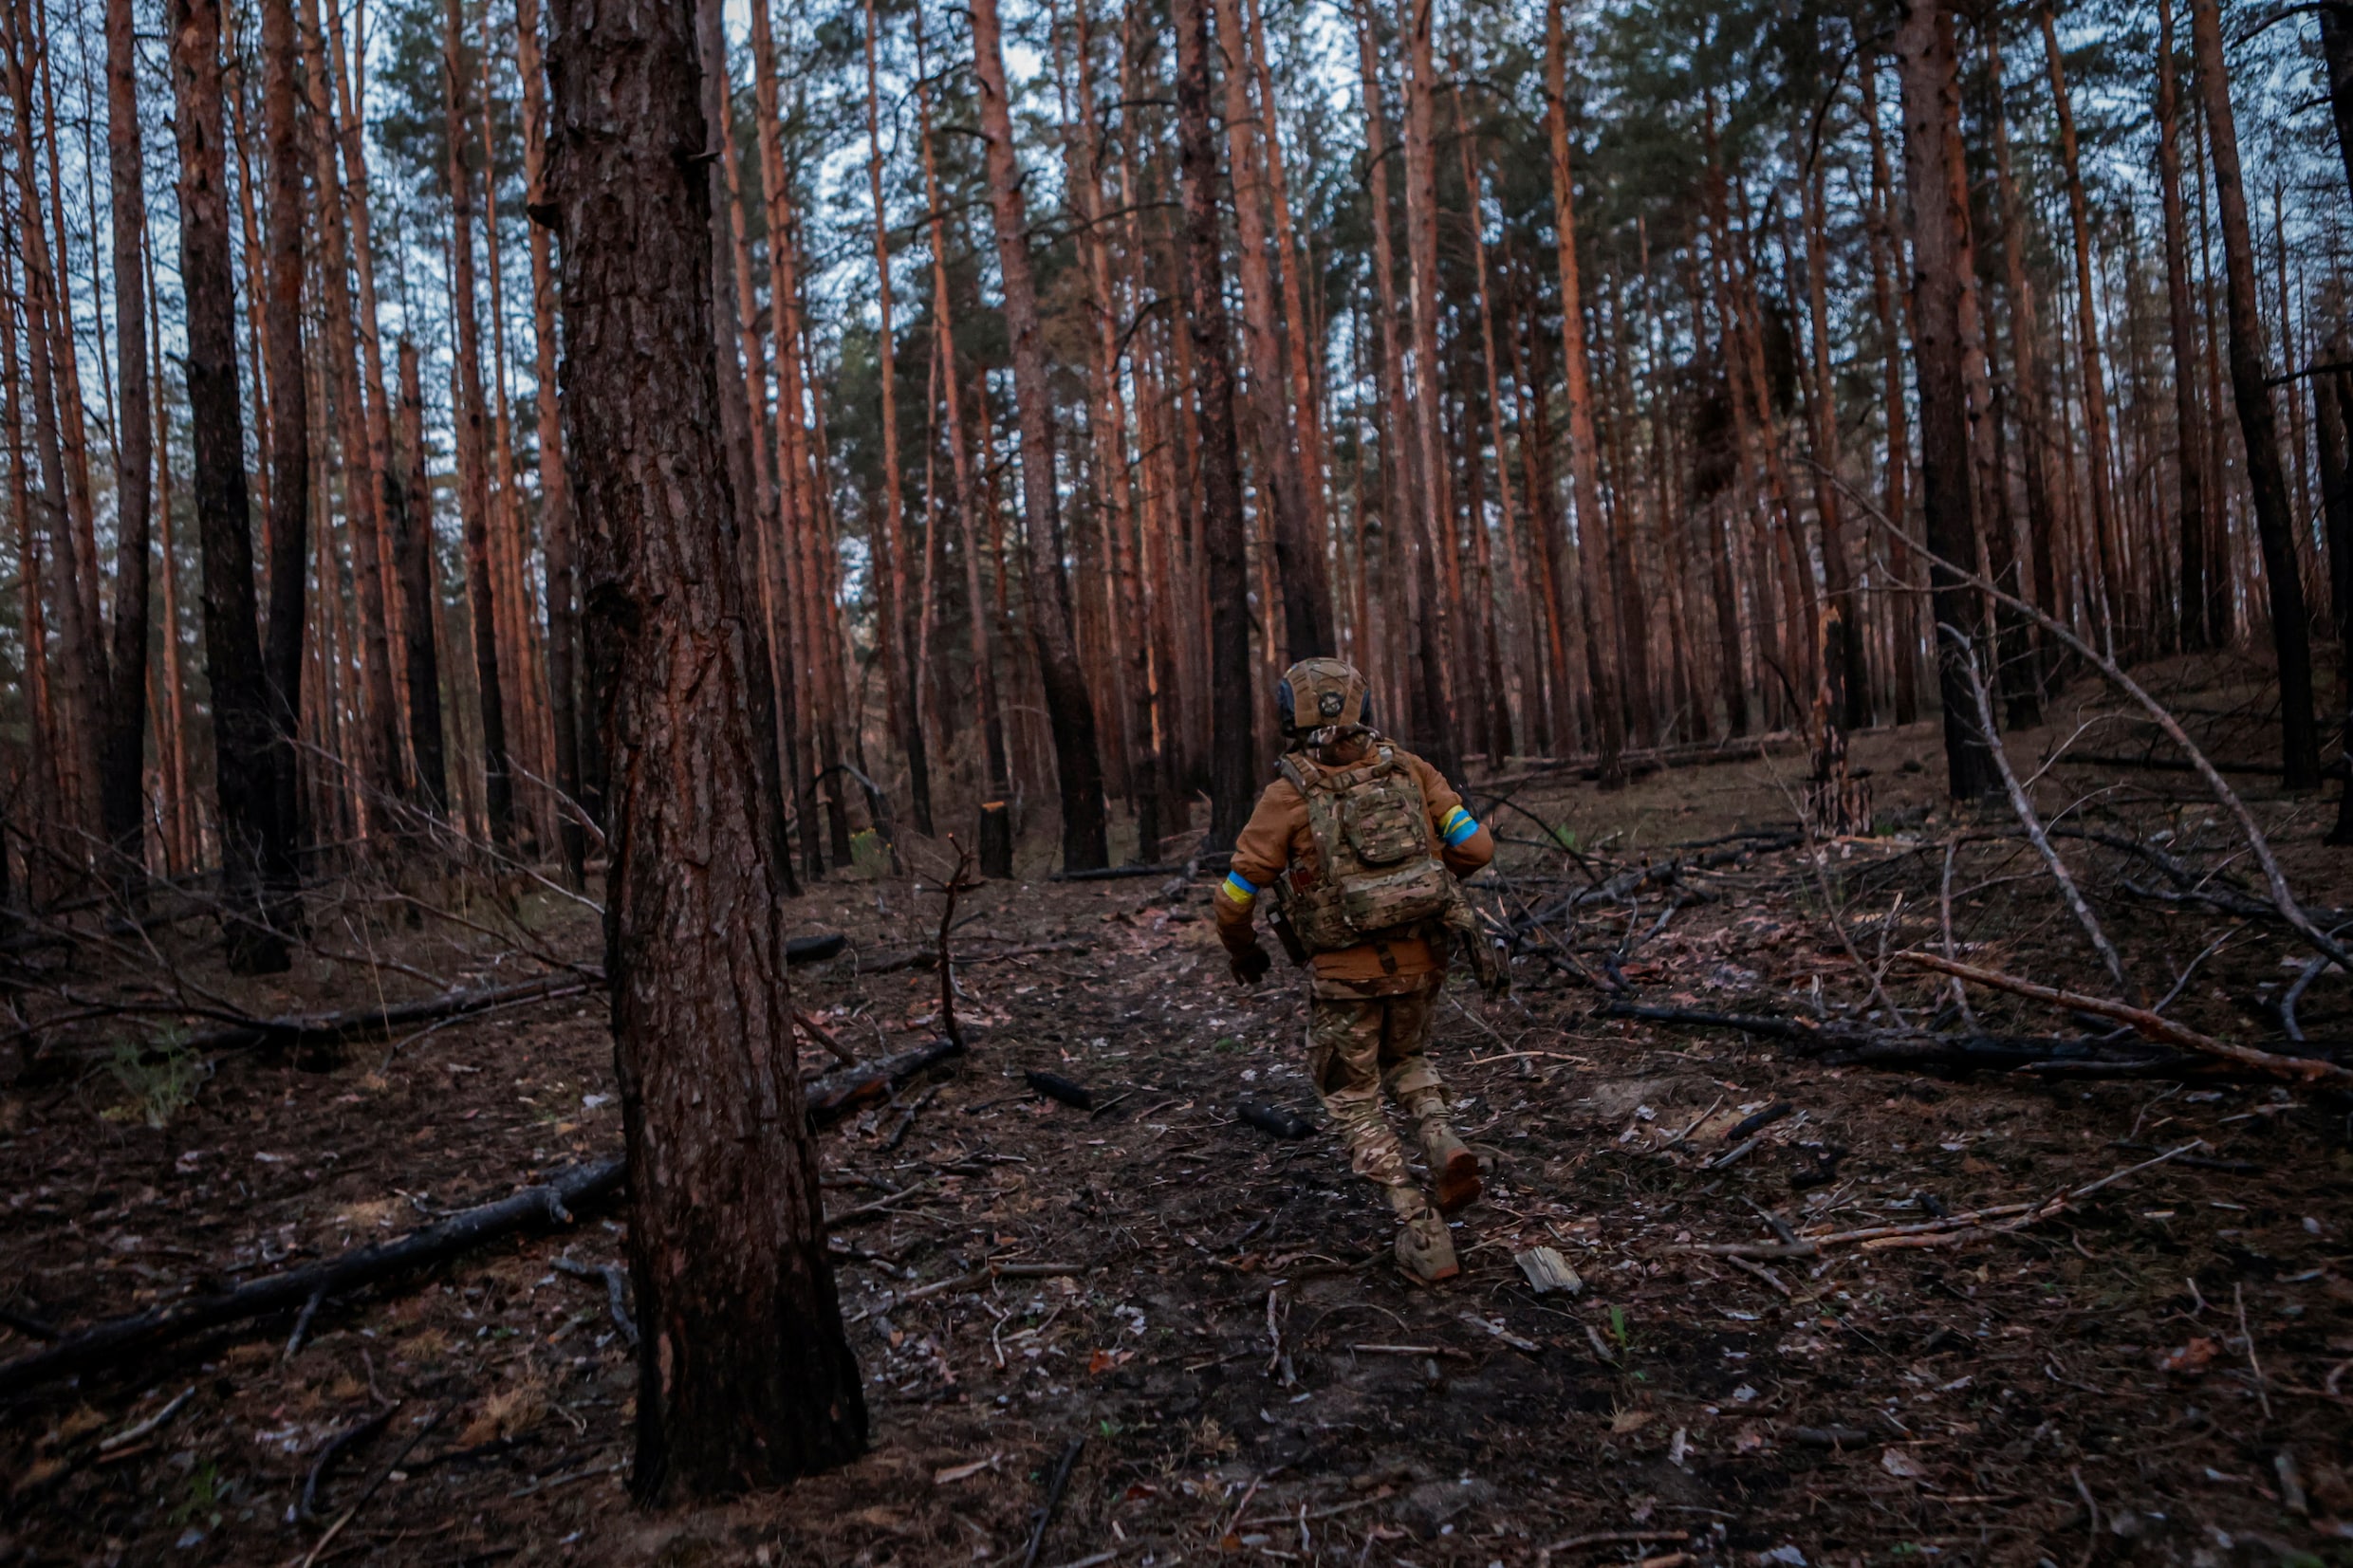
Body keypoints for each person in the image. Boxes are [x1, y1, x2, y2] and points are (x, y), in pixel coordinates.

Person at [1214, 658, 1498, 1283]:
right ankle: (1440, 1134)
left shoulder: (1287, 794)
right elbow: (1476, 848)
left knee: (1350, 1092)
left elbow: (1235, 897)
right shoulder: (1410, 769)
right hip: (1424, 961)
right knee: (1408, 1056)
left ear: (1291, 714)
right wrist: (1418, 885)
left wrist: (1244, 951)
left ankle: (1420, 1229)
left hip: (1346, 976)